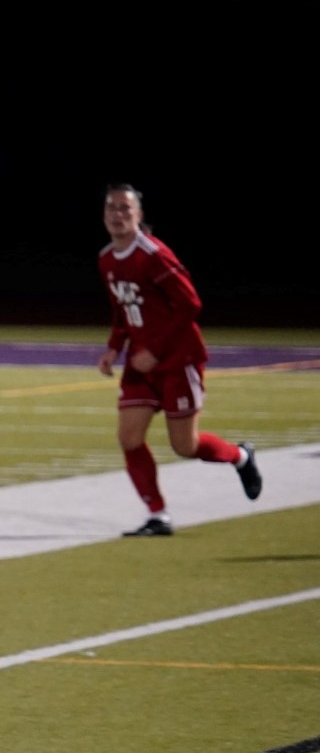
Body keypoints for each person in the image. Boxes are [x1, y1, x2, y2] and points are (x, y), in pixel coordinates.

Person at [96, 183, 261, 536]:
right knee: (129, 437)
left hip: (175, 361)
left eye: (125, 208)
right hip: (142, 365)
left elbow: (190, 304)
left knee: (185, 446)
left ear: (139, 215)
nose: (118, 214)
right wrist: (114, 346)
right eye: (112, 207)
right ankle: (158, 515)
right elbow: (122, 309)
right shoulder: (107, 258)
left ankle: (241, 457)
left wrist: (155, 351)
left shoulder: (153, 254)